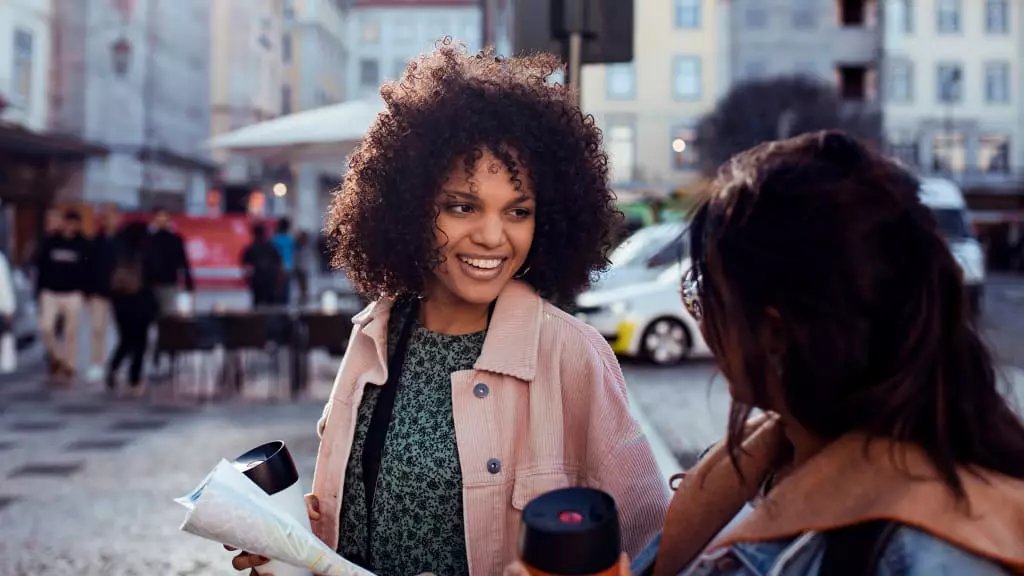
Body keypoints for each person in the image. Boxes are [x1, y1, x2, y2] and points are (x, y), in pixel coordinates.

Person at [230, 41, 668, 576]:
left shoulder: (571, 354)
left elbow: (654, 547)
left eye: (518, 210)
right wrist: (292, 538)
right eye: (462, 206)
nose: (491, 236)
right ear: (411, 207)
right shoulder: (374, 335)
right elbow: (359, 523)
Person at [618, 132, 1024, 576]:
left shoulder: (928, 556)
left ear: (773, 332)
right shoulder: (771, 450)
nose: (698, 316)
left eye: (703, 293)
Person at [35, 209, 90, 383]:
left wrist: (85, 291)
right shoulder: (51, 242)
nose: (70, 226)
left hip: (73, 293)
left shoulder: (83, 244)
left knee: (71, 333)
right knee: (46, 327)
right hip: (50, 292)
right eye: (68, 222)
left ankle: (70, 366)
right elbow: (41, 267)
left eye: (75, 223)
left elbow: (89, 269)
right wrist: (39, 291)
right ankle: (58, 356)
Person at [106, 221, 158, 398]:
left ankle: (113, 367)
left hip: (120, 304)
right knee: (140, 344)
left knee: (125, 341)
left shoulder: (116, 250)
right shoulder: (146, 252)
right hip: (140, 304)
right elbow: (153, 278)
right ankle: (134, 380)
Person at [148, 207, 193, 374]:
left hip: (169, 285)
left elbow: (184, 261)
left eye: (164, 218)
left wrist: (189, 282)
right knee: (153, 322)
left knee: (168, 321)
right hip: (150, 286)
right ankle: (156, 355)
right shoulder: (149, 240)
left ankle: (170, 354)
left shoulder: (175, 239)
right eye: (158, 217)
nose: (161, 221)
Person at [85, 204, 121, 383]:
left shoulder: (124, 241)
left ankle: (118, 365)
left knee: (124, 333)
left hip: (121, 294)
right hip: (98, 293)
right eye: (105, 216)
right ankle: (97, 363)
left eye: (112, 216)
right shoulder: (95, 242)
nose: (109, 220)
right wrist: (88, 292)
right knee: (97, 329)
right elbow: (88, 267)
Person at [241, 223, 283, 308]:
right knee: (271, 307)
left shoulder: (251, 248)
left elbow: (245, 266)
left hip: (257, 282)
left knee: (257, 307)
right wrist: (279, 282)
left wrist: (247, 279)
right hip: (270, 281)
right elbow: (280, 266)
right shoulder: (272, 247)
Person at [270, 217, 294, 304]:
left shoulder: (274, 239)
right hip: (287, 267)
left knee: (276, 290)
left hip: (276, 268)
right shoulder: (290, 239)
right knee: (286, 291)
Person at [293, 230, 312, 305]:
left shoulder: (305, 247)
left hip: (303, 268)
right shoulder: (298, 247)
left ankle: (303, 298)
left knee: (304, 284)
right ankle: (301, 298)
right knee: (299, 284)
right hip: (299, 268)